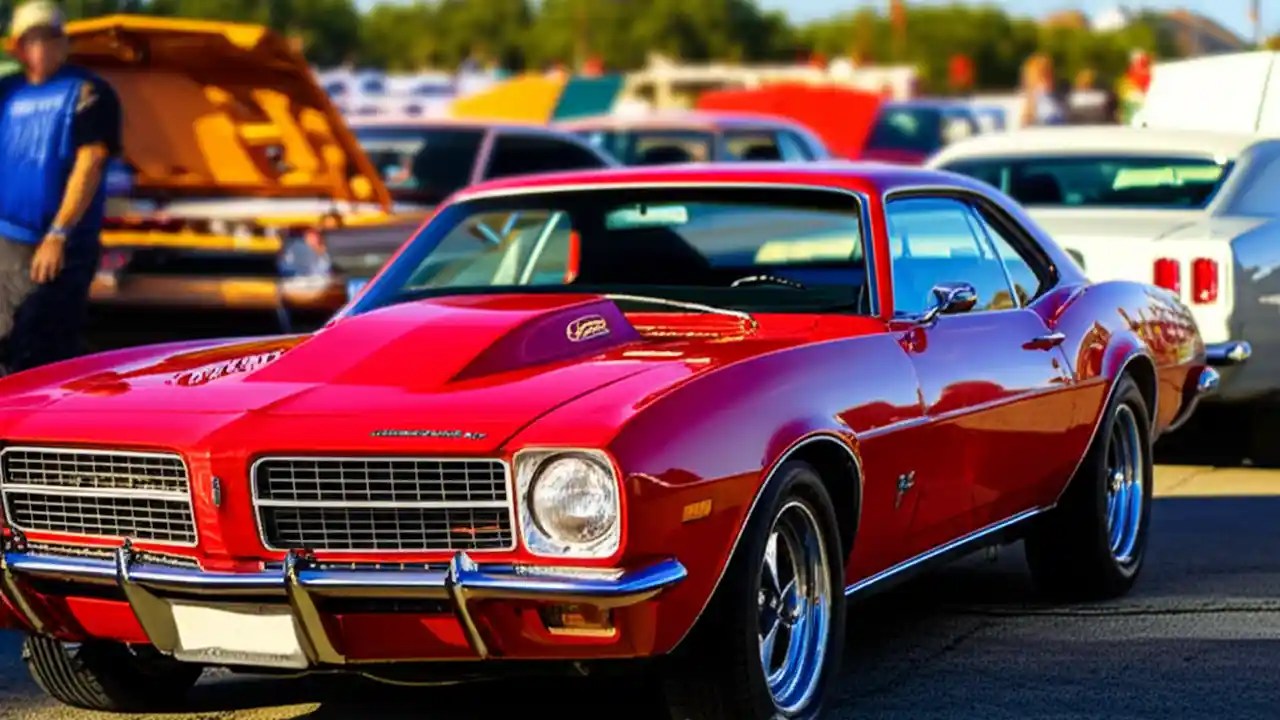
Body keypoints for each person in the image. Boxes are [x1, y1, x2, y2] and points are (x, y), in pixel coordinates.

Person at [0, 1, 121, 373]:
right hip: (6, 240)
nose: (45, 47)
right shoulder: (7, 91)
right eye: (35, 39)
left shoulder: (88, 92)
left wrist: (58, 233)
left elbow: (91, 162)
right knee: (7, 343)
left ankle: (39, 429)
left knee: (43, 347)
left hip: (59, 244)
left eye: (53, 37)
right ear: (19, 47)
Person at [1018, 53, 1066, 127]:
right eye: (1044, 73)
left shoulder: (1057, 97)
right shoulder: (1029, 98)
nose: (1050, 76)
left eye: (1050, 72)